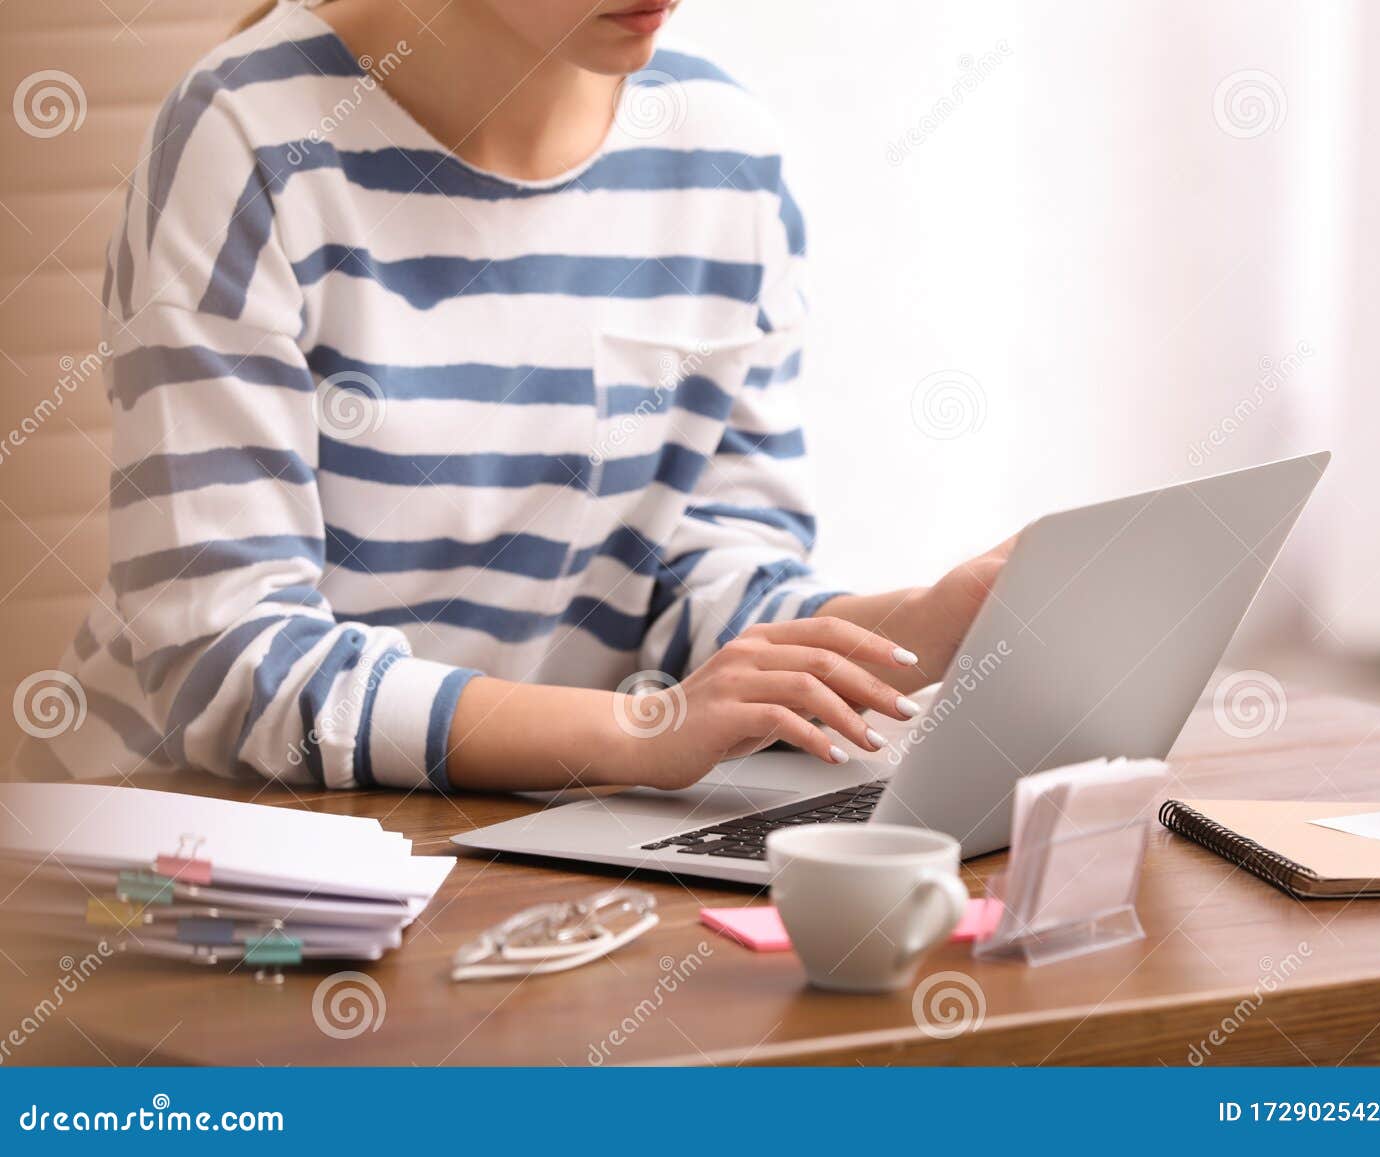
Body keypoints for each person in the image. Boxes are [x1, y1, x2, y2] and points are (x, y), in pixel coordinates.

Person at [36, 0, 1010, 794]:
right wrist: (632, 730)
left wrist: (921, 628)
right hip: (178, 856)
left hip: (509, 838)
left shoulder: (725, 154)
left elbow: (698, 585)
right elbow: (227, 660)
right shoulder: (247, 135)